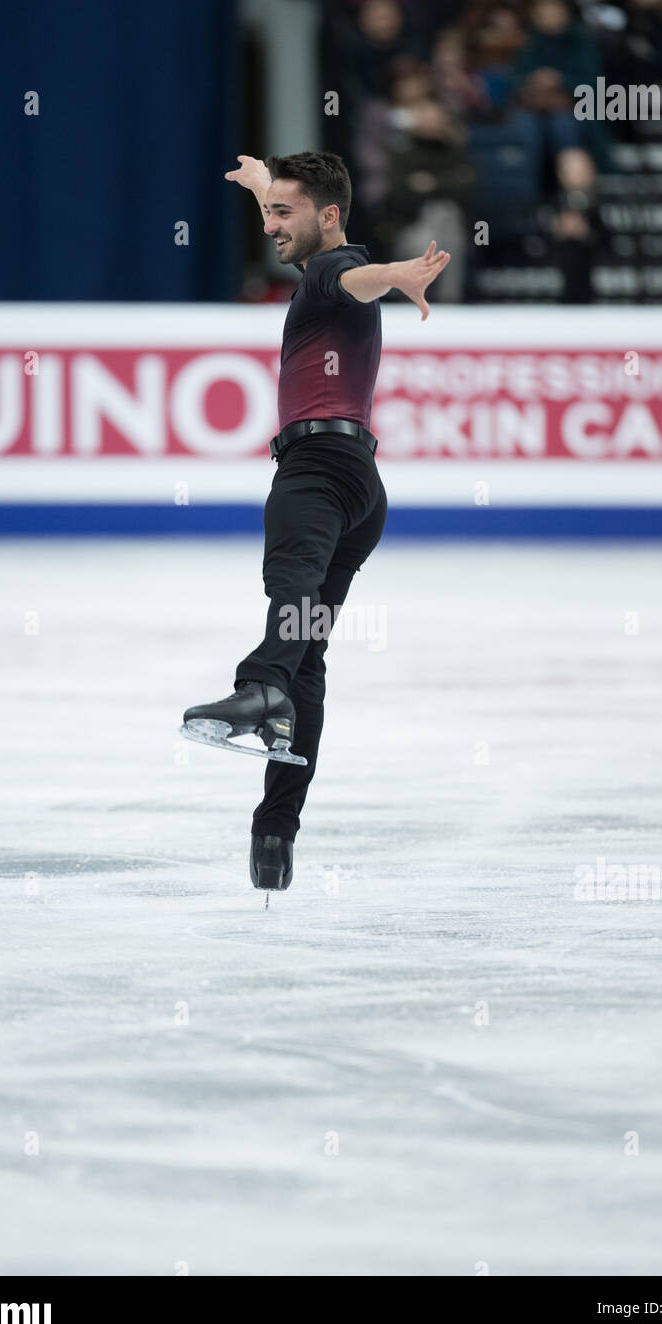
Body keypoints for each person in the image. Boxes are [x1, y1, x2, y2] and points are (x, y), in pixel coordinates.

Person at [182, 152, 449, 897]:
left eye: (282, 215)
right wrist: (265, 183)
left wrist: (396, 273)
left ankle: (258, 684)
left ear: (330, 217)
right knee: (309, 650)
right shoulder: (319, 264)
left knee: (290, 598)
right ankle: (276, 831)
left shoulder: (340, 271)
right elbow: (316, 245)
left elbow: (351, 275)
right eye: (269, 214)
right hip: (360, 484)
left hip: (317, 473)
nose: (270, 227)